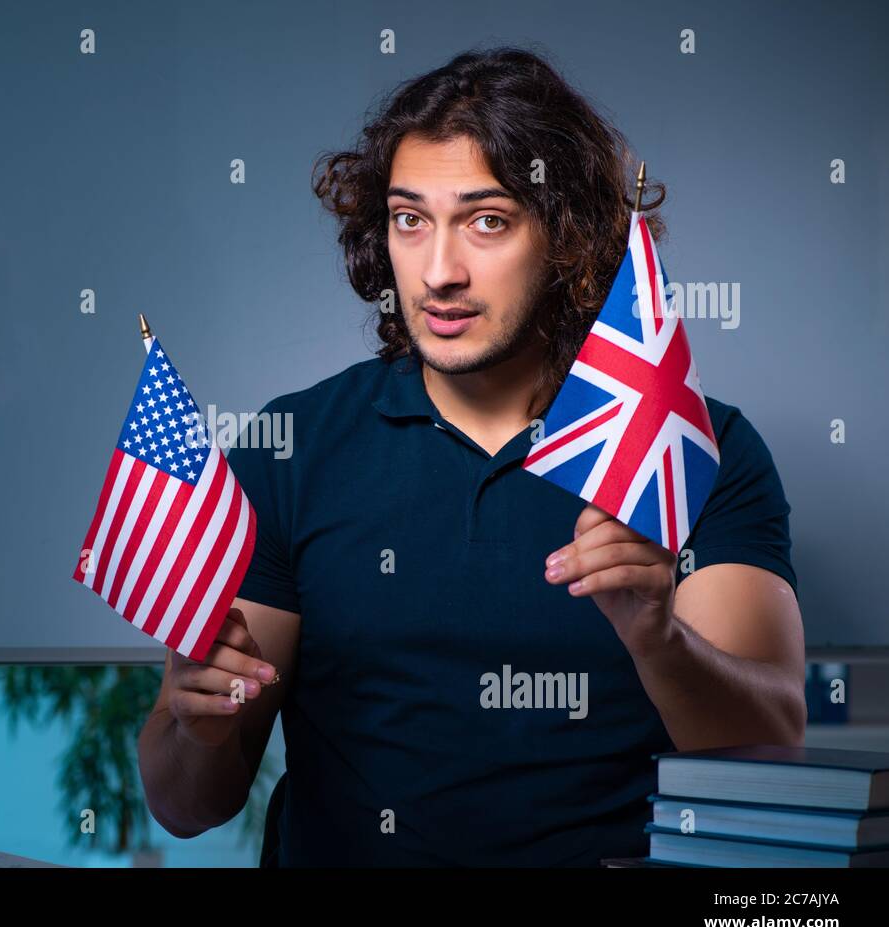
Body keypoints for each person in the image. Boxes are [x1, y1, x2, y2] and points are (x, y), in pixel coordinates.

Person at [136, 46, 805, 866]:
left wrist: (658, 637)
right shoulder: (290, 449)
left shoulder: (692, 448)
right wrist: (194, 725)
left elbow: (772, 752)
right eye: (411, 219)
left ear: (566, 234)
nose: (439, 272)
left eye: (488, 220)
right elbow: (185, 806)